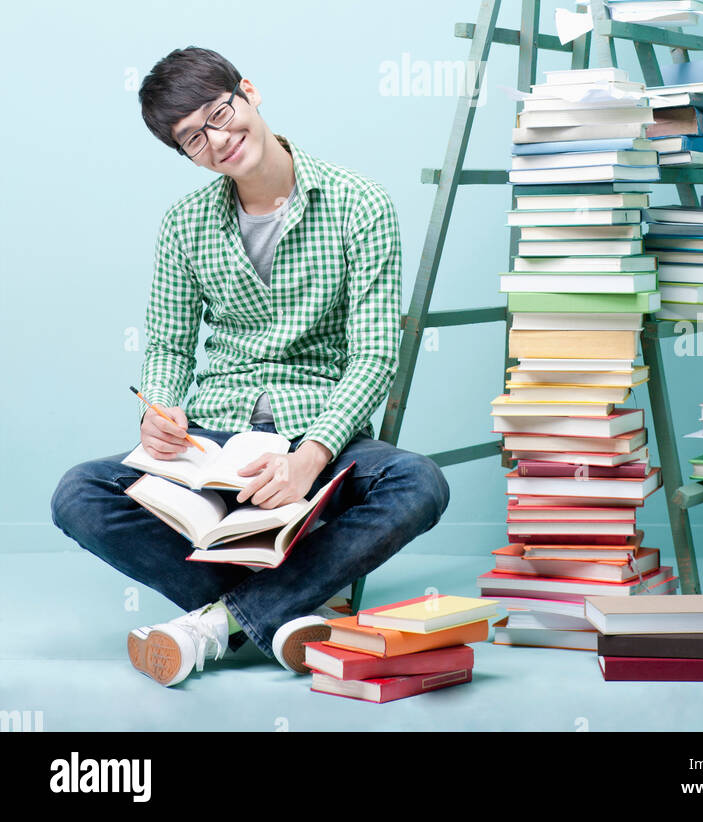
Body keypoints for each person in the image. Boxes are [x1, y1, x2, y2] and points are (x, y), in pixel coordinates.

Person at [50, 46, 450, 687]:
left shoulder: (360, 204)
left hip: (318, 440)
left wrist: (309, 458)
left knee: (420, 483)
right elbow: (169, 349)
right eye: (193, 138)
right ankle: (288, 608)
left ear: (250, 92)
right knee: (78, 493)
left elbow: (374, 356)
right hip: (212, 444)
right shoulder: (184, 226)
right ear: (184, 154)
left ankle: (217, 624)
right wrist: (158, 408)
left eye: (220, 112)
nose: (218, 139)